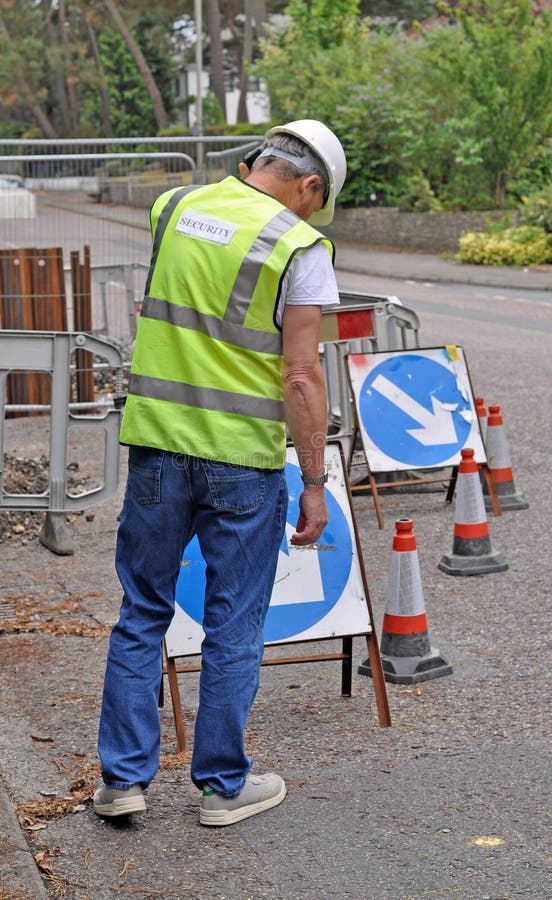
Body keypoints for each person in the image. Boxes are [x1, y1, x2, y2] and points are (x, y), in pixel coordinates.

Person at [93, 119, 347, 827]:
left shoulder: (172, 207)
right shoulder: (301, 246)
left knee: (141, 611)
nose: (306, 213)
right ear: (309, 185)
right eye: (311, 202)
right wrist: (316, 481)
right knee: (234, 624)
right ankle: (222, 787)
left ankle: (122, 781)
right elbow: (300, 375)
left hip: (156, 448)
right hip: (240, 462)